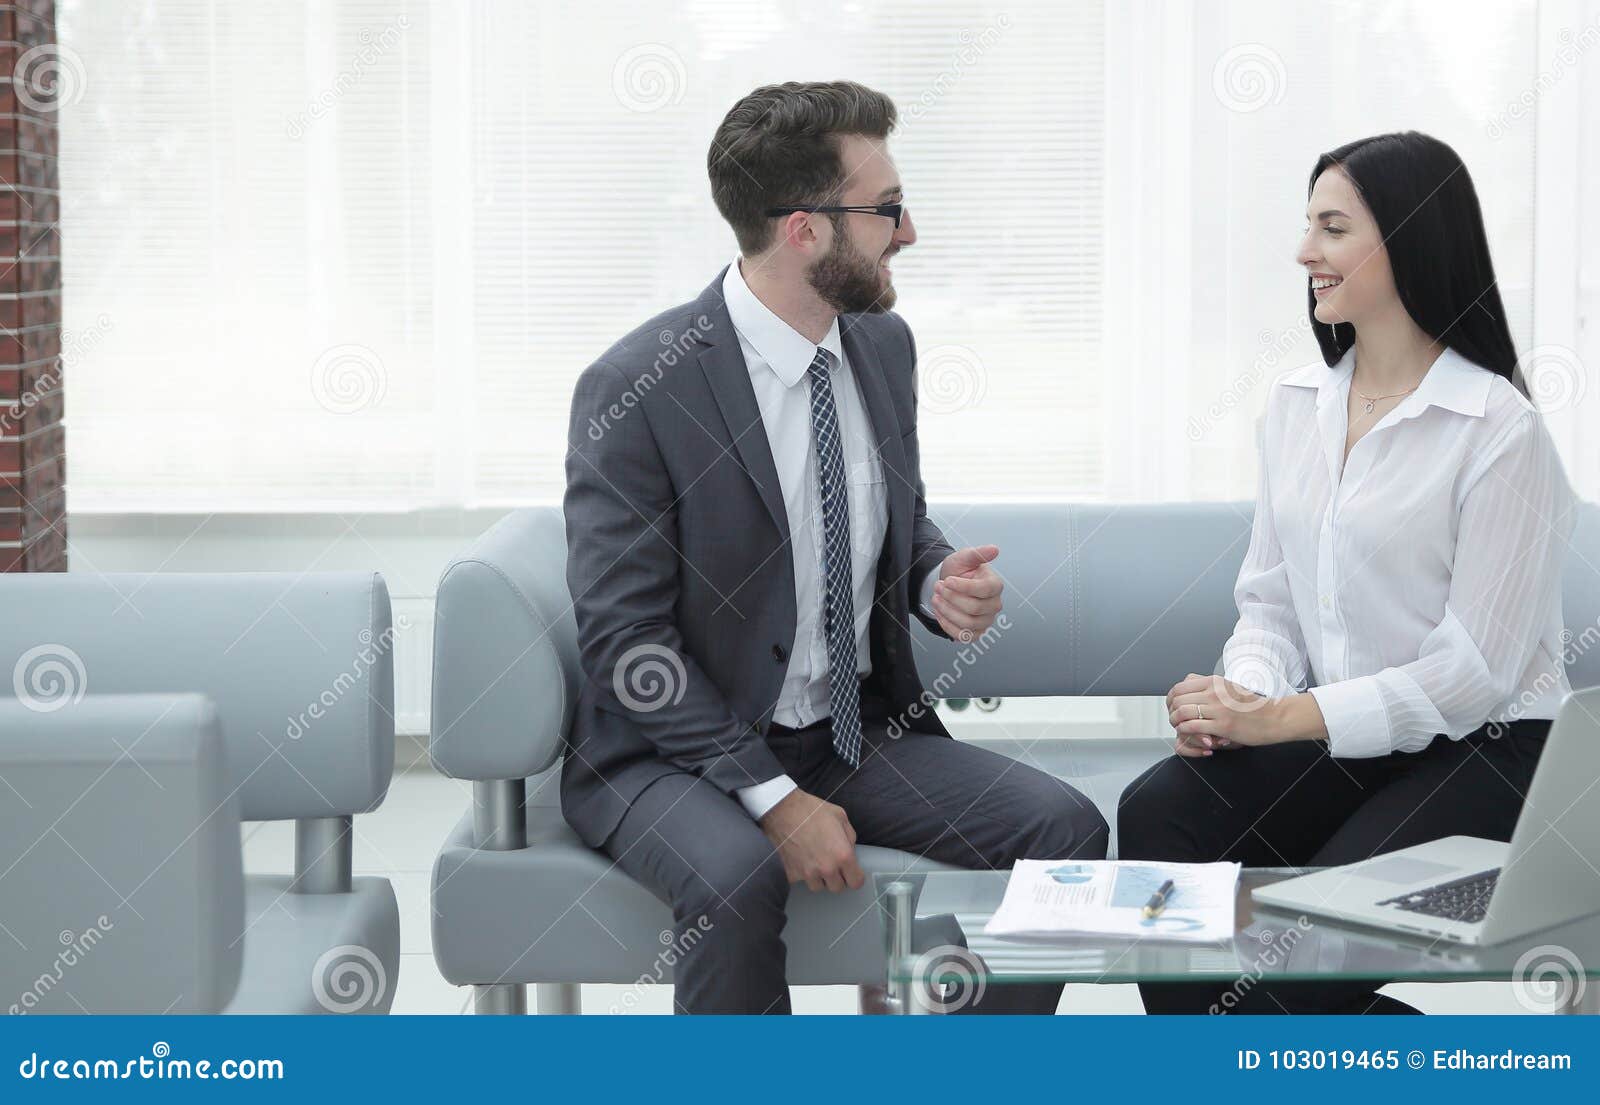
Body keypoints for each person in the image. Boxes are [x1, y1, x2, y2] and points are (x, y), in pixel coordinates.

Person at [562, 80, 1108, 1014]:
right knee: (737, 879)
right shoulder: (638, 389)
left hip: (850, 731)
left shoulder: (882, 347)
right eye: (888, 209)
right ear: (805, 229)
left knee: (1067, 827)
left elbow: (894, 518)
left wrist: (932, 579)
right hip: (676, 752)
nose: (910, 232)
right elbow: (629, 646)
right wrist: (773, 796)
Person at [1117, 131, 1576, 1015]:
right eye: (1308, 226)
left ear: (1407, 240)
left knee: (1295, 952)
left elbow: (1473, 673)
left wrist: (1285, 717)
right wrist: (1240, 700)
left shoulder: (1501, 430)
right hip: (1341, 731)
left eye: (1332, 228)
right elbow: (1270, 604)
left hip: (1490, 748)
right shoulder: (1296, 406)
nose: (1304, 252)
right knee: (1159, 816)